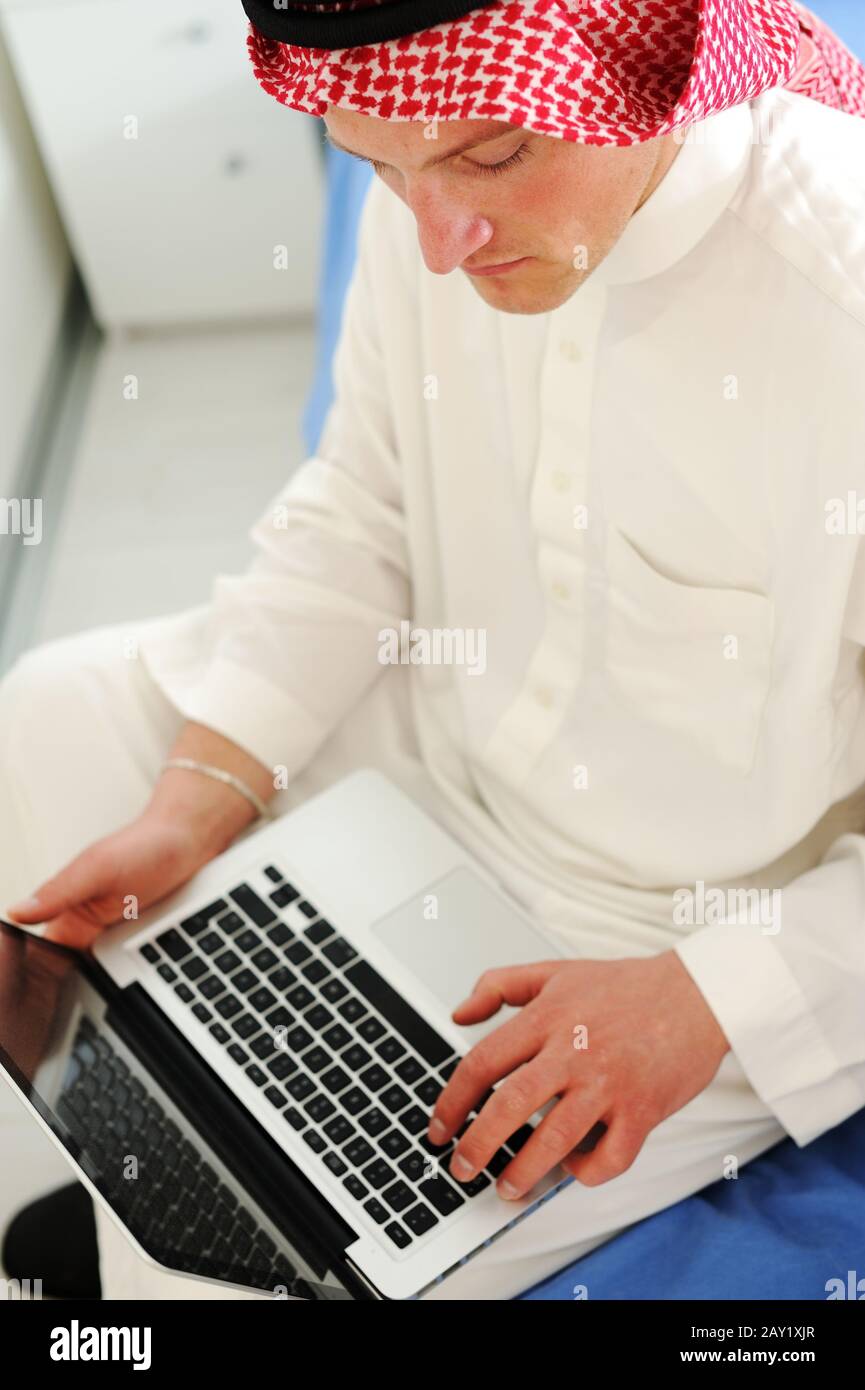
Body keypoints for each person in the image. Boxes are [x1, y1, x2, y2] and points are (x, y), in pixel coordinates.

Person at [2, 0, 865, 1301]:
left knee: (279, 1269)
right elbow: (360, 505)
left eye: (492, 154)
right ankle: (158, 1194)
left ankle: (159, 1239)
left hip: (668, 923)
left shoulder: (836, 293)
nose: (437, 244)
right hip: (418, 731)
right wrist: (202, 796)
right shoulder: (430, 196)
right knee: (42, 717)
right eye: (378, 169)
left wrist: (697, 1003)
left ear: (651, 63)